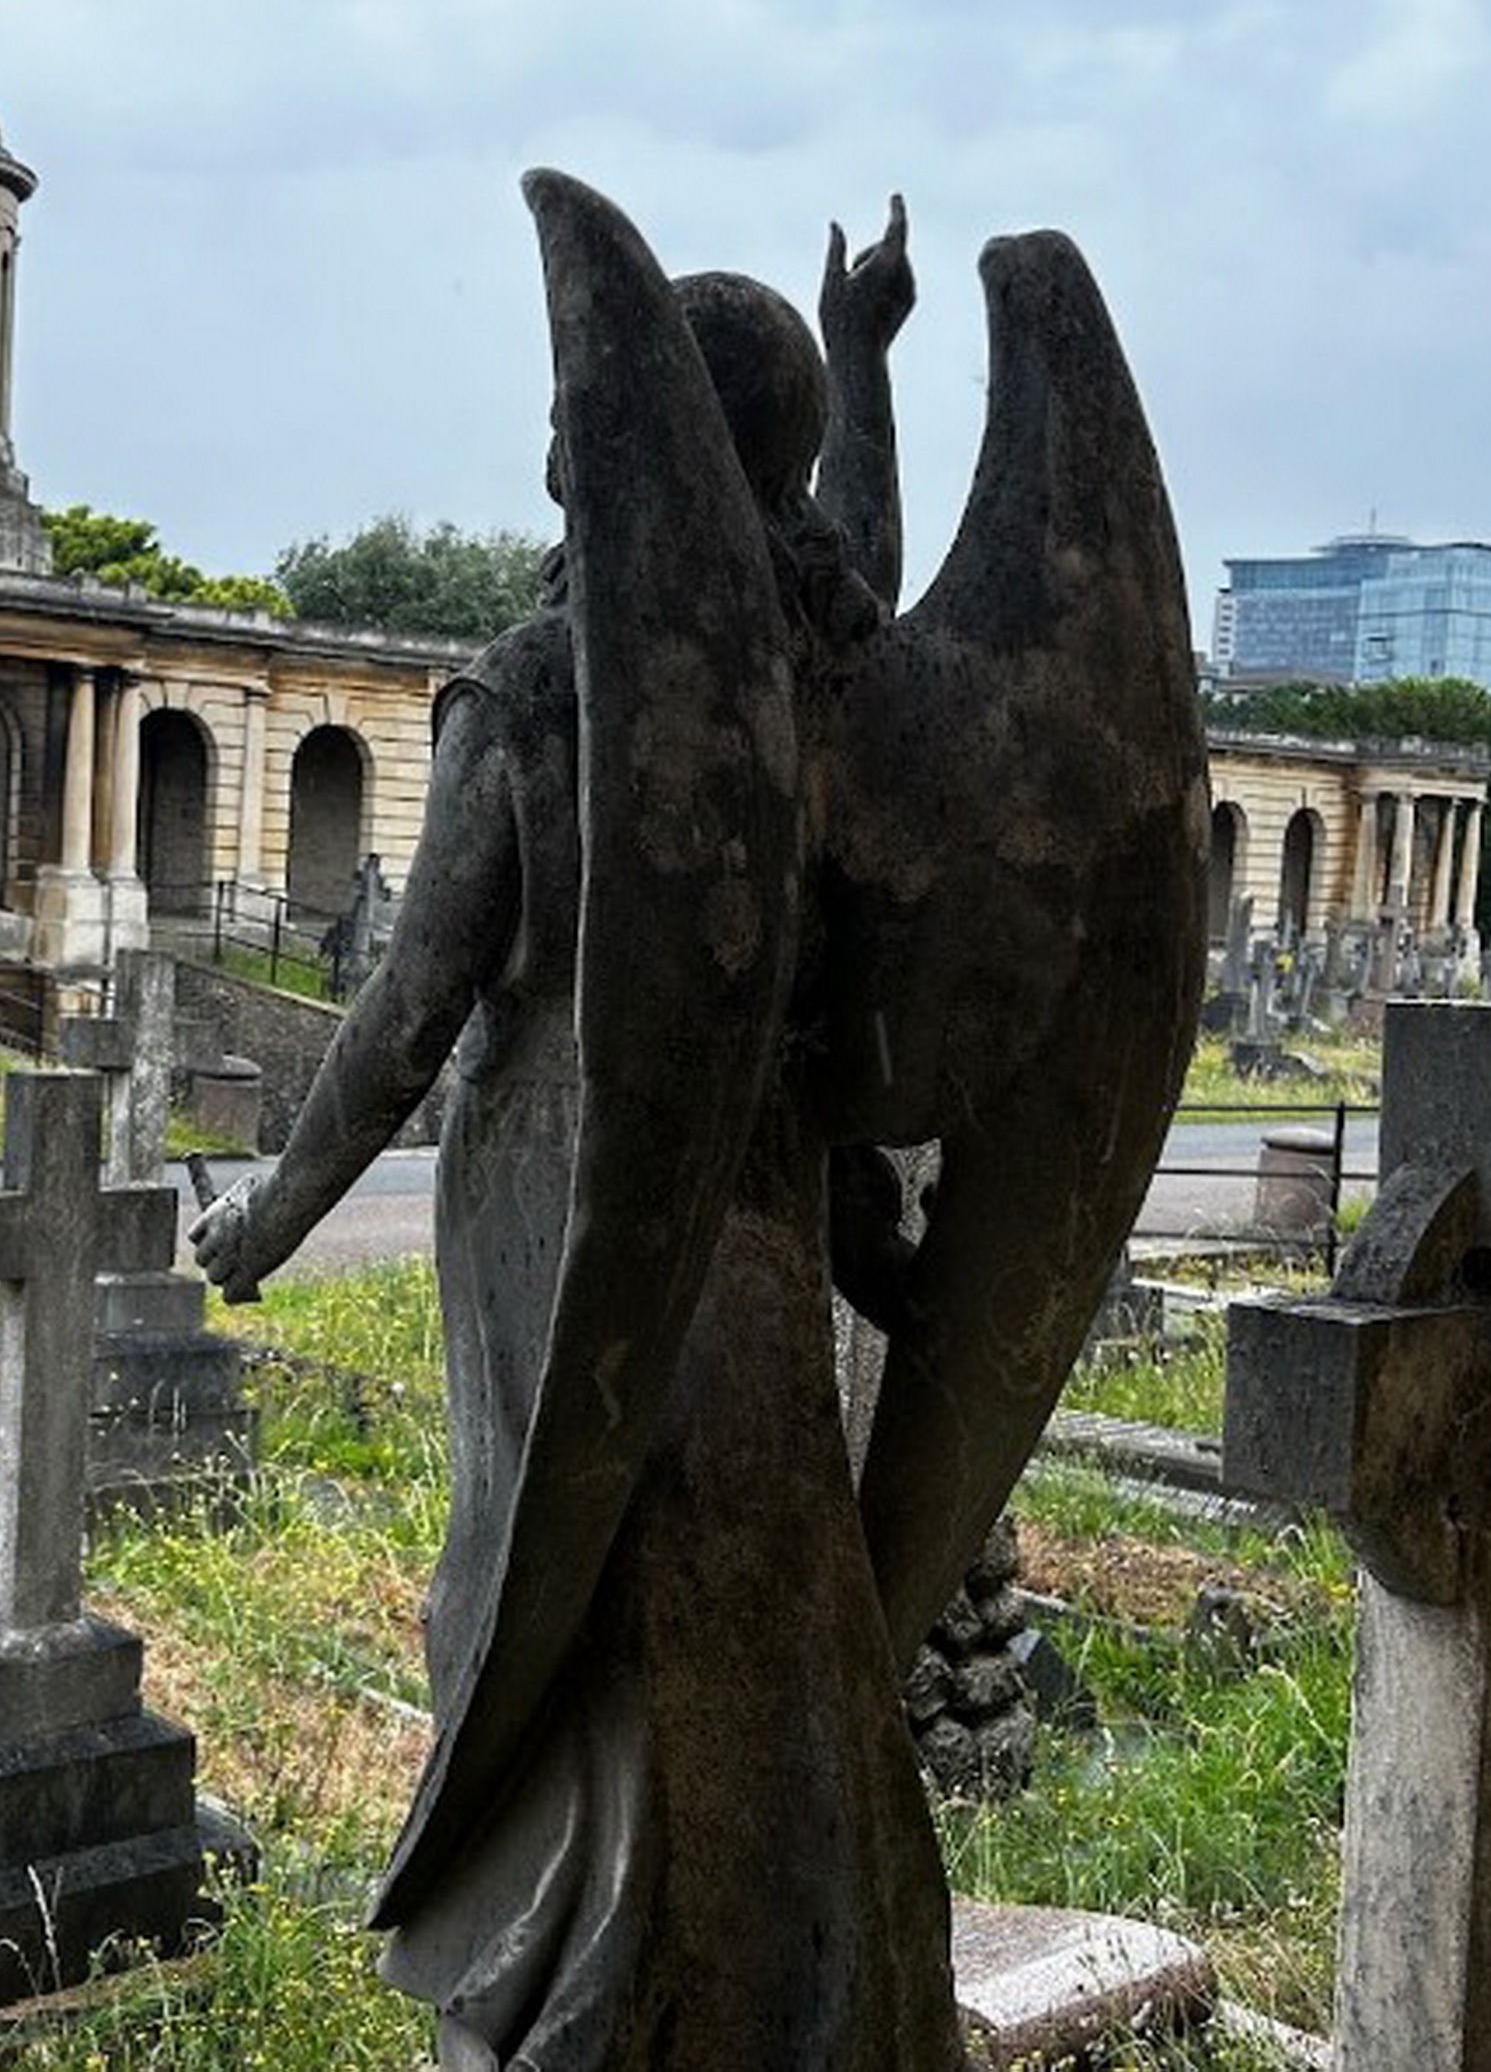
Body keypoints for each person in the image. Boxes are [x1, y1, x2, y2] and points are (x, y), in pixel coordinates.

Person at [191, 199, 961, 2069]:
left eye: (582, 404)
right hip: (769, 1237)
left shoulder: (547, 690)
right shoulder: (821, 691)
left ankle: (581, 2009)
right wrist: (862, 361)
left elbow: (407, 1011)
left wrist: (268, 1215)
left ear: (638, 441)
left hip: (569, 1212)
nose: (553, 440)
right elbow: (854, 549)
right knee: (775, 1624)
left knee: (555, 1604)